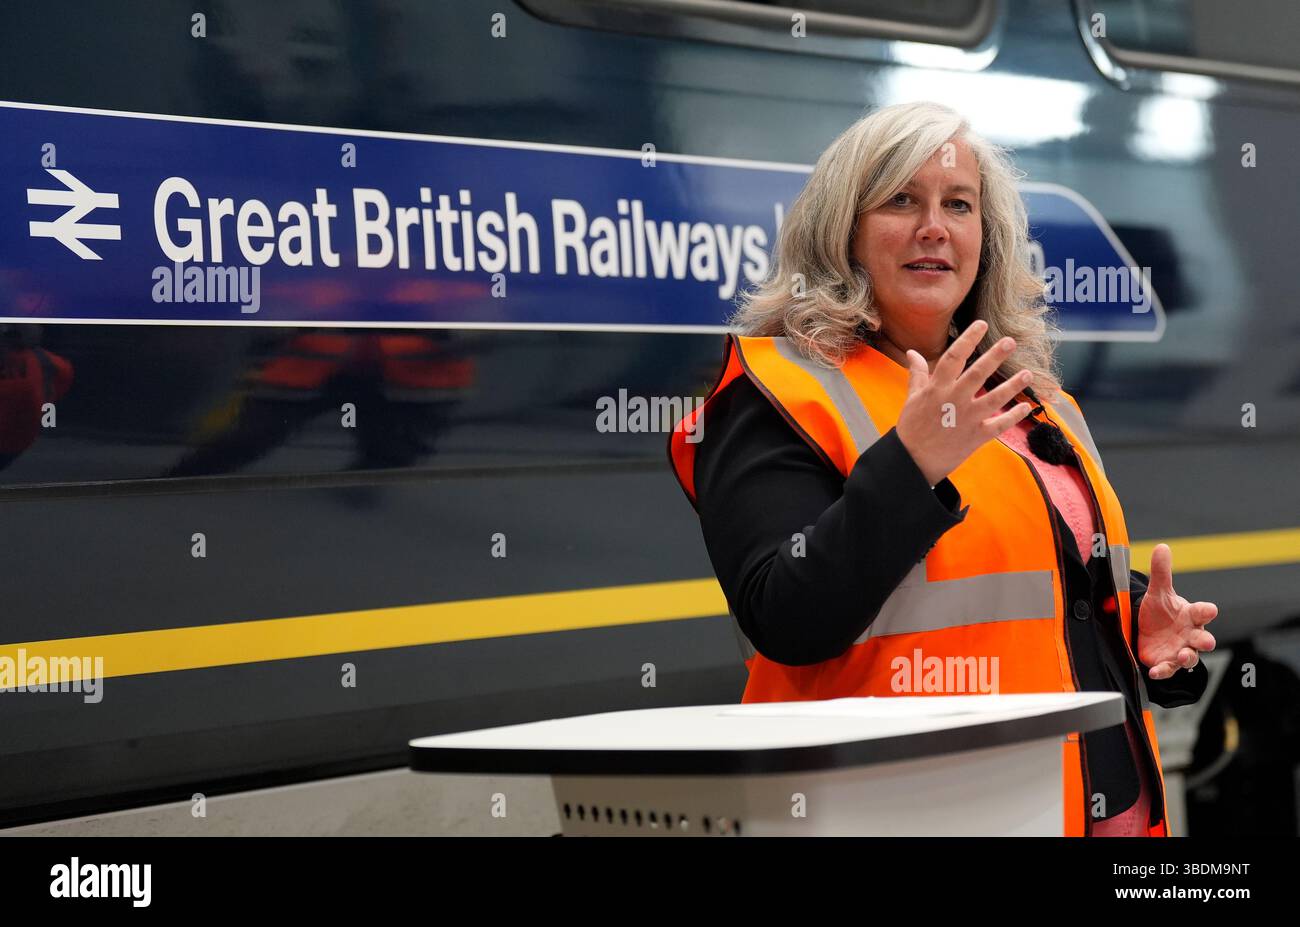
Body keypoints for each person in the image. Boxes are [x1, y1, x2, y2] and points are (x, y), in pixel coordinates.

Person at [668, 101, 1219, 837]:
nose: (934, 226)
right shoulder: (778, 390)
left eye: (958, 204)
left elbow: (1021, 588)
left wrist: (1141, 634)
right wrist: (912, 463)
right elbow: (786, 616)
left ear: (983, 238)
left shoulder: (1040, 399)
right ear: (843, 230)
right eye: (901, 199)